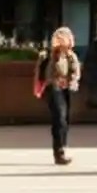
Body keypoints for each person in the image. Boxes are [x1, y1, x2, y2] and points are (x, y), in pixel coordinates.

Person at [34, 27, 80, 165]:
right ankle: (59, 151)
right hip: (52, 87)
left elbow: (76, 72)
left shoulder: (71, 55)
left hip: (66, 88)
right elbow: (42, 72)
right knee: (59, 117)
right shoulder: (47, 55)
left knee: (64, 120)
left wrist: (72, 80)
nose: (61, 40)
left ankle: (62, 147)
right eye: (58, 37)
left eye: (64, 37)